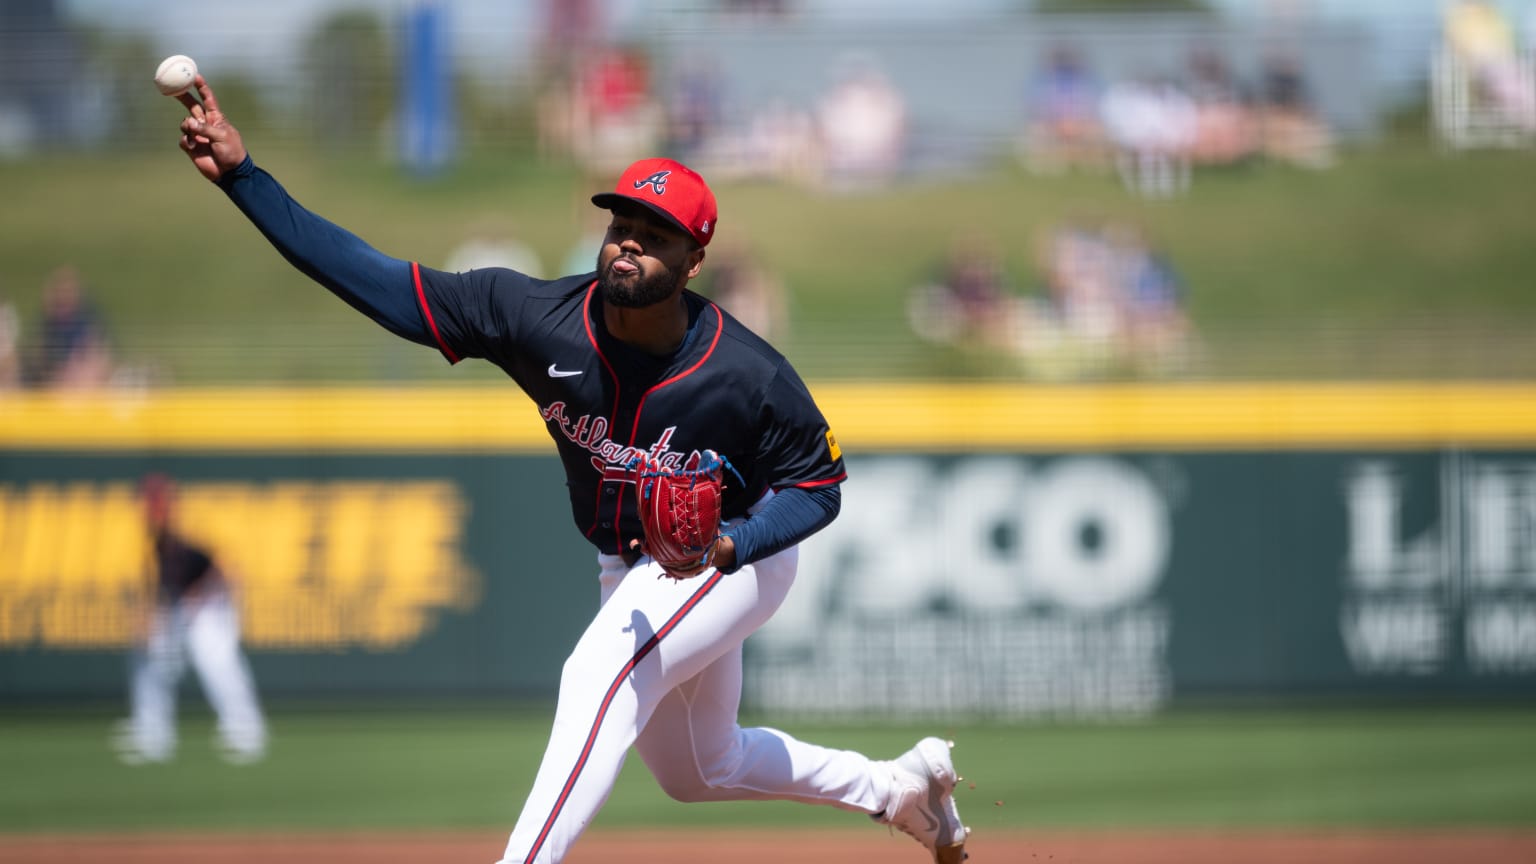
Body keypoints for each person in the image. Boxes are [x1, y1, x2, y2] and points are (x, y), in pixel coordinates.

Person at [170, 76, 969, 864]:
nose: (628, 240)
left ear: (694, 259)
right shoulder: (534, 317)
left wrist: (733, 546)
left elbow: (819, 485)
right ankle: (896, 790)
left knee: (595, 670)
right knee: (699, 768)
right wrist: (245, 178)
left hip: (732, 554)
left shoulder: (748, 372)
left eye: (654, 233)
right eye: (623, 221)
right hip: (627, 563)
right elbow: (377, 280)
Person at [115, 474, 268, 765]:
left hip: (210, 610)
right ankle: (152, 734)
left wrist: (199, 596)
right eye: (148, 503)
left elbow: (228, 571)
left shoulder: (184, 534)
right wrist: (150, 617)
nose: (149, 509)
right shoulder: (156, 541)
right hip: (182, 609)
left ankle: (245, 731)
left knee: (218, 666)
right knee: (153, 662)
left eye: (154, 502)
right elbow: (159, 588)